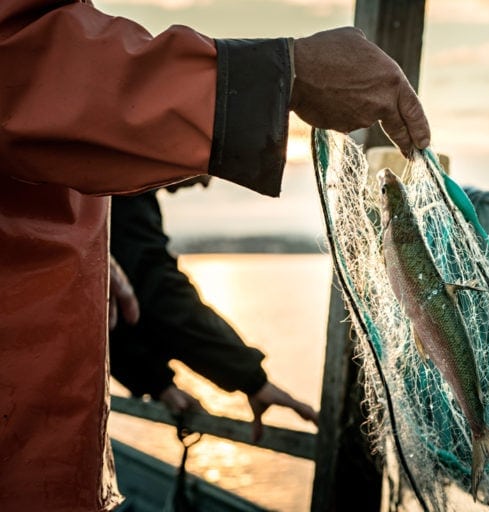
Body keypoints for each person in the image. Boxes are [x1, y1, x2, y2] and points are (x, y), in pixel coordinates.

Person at [0, 0, 431, 509]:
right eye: (200, 162)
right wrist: (281, 77)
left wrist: (151, 374)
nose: (202, 178)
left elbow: (140, 298)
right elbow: (21, 63)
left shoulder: (99, 187)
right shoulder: (117, 181)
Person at [109, 176, 317, 440]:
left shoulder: (102, 176)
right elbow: (154, 288)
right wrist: (251, 379)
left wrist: (156, 382)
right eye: (214, 161)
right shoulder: (120, 178)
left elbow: (104, 297)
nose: (207, 183)